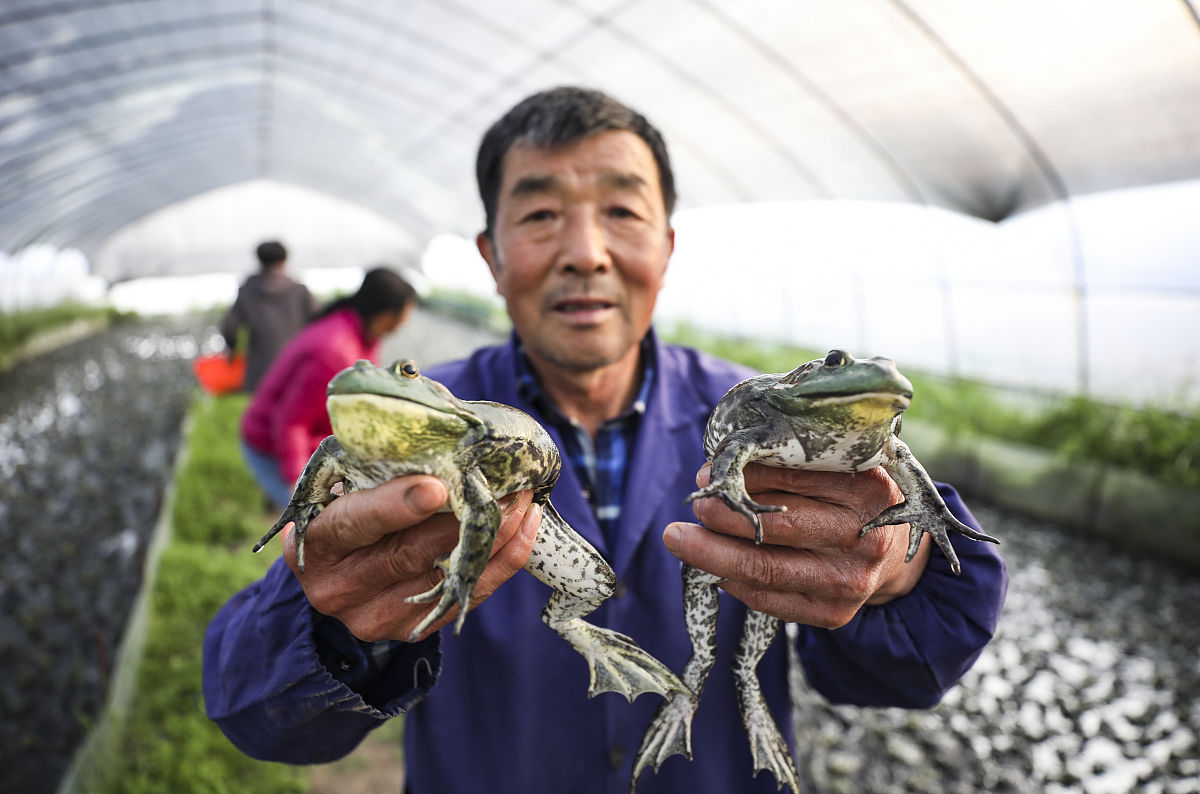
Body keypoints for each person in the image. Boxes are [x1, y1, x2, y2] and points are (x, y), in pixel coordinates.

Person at [203, 87, 1007, 794]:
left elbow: (913, 667)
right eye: (541, 214)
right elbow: (251, 706)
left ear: (666, 246)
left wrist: (898, 572)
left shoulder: (764, 420)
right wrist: (334, 620)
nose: (585, 253)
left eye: (622, 211)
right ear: (491, 255)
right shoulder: (420, 424)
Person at [238, 267, 416, 510]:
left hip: (306, 438)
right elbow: (292, 423)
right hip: (268, 444)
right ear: (386, 316)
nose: (405, 322)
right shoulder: (335, 353)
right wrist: (299, 486)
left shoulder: (360, 334)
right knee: (315, 523)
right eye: (404, 315)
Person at [221, 240, 317, 392]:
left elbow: (231, 325)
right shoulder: (299, 291)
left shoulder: (247, 290)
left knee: (263, 412)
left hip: (260, 370)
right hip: (294, 366)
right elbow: (319, 321)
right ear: (284, 261)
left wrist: (231, 349)